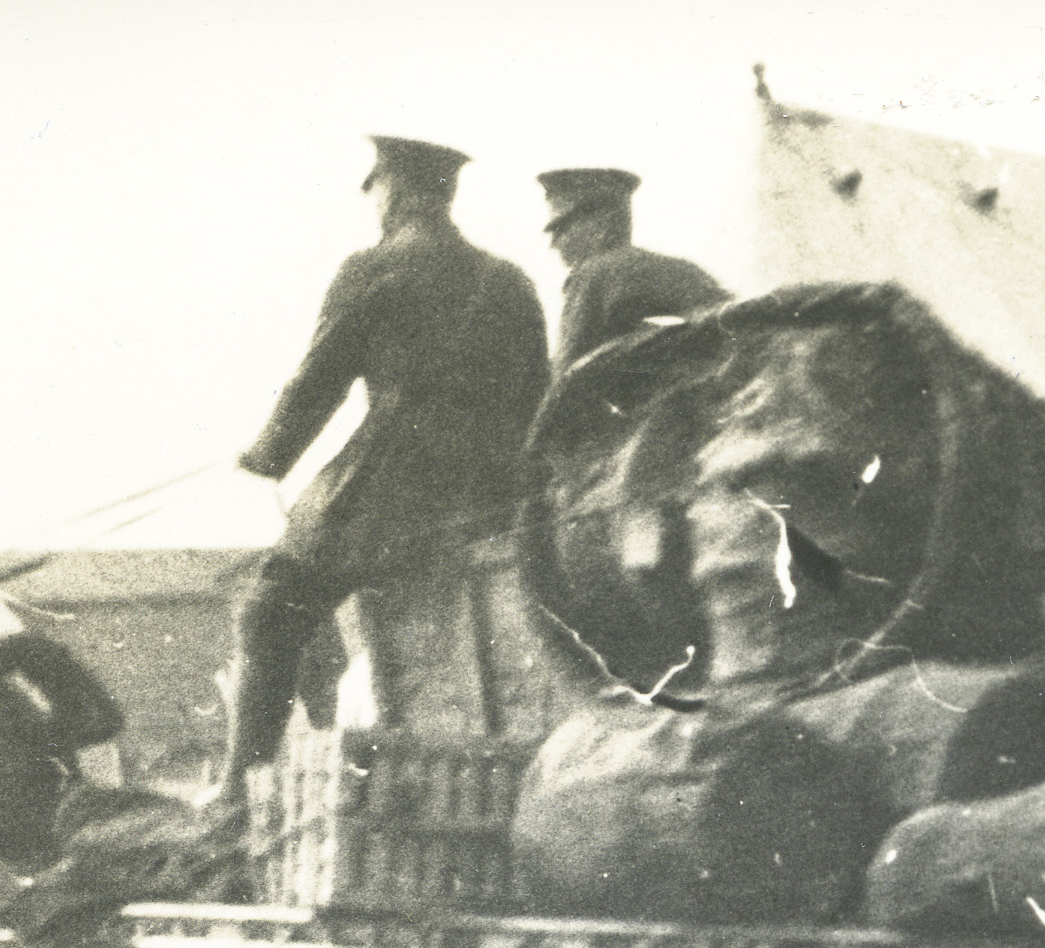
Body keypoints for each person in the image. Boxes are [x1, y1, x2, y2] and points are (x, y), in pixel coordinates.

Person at [220, 135, 550, 799]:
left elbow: (321, 377)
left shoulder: (371, 268)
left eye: (374, 188)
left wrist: (267, 453)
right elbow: (540, 393)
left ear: (393, 189)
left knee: (271, 604)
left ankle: (239, 785)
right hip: (496, 487)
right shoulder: (509, 279)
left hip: (401, 479)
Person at [537, 168, 730, 374]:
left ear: (599, 226)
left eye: (560, 230)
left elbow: (567, 368)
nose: (554, 244)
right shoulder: (681, 268)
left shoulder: (593, 274)